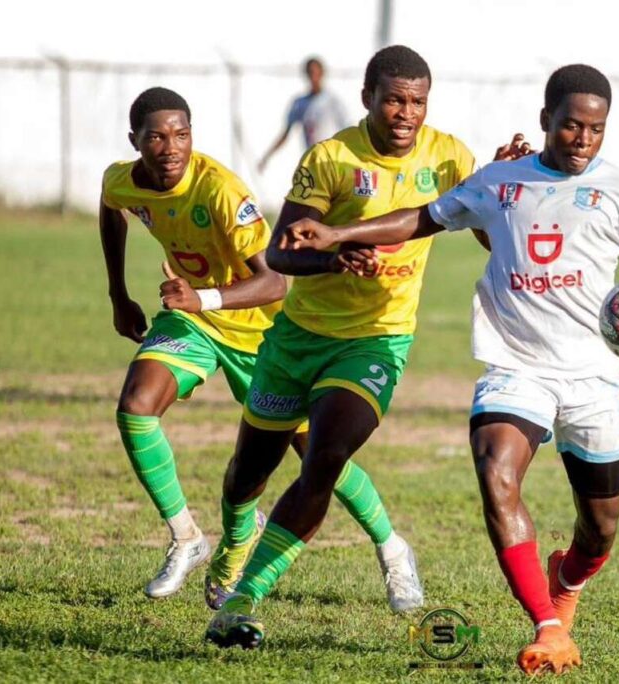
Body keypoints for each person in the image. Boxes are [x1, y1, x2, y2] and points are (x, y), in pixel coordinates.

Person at [281, 64, 619, 675]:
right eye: (571, 124)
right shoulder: (500, 182)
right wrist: (338, 231)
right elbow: (422, 218)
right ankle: (548, 628)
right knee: (496, 469)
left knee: (599, 532)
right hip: (514, 365)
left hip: (592, 378)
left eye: (595, 129)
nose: (582, 138)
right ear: (545, 119)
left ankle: (567, 579)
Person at [203, 45, 527, 649]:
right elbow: (279, 254)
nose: (407, 113)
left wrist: (500, 184)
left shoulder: (449, 155)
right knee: (248, 474)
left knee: (324, 456)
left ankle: (245, 597)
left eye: (418, 102)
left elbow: (487, 235)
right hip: (298, 340)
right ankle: (232, 546)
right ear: (368, 100)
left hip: (378, 340)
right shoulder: (331, 158)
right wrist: (335, 258)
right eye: (395, 100)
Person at [100, 87, 416, 608]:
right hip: (195, 321)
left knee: (316, 457)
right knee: (135, 407)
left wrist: (200, 297)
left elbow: (275, 282)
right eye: (156, 136)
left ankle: (392, 548)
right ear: (134, 141)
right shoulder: (121, 178)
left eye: (182, 134)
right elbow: (112, 206)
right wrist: (118, 293)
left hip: (262, 337)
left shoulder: (221, 191)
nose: (171, 146)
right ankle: (186, 537)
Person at [258, 57, 348, 172]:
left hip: (332, 162)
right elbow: (286, 133)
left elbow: (348, 130)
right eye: (310, 73)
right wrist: (267, 156)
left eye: (315, 73)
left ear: (322, 74)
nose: (313, 77)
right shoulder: (300, 103)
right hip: (311, 163)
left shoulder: (333, 102)